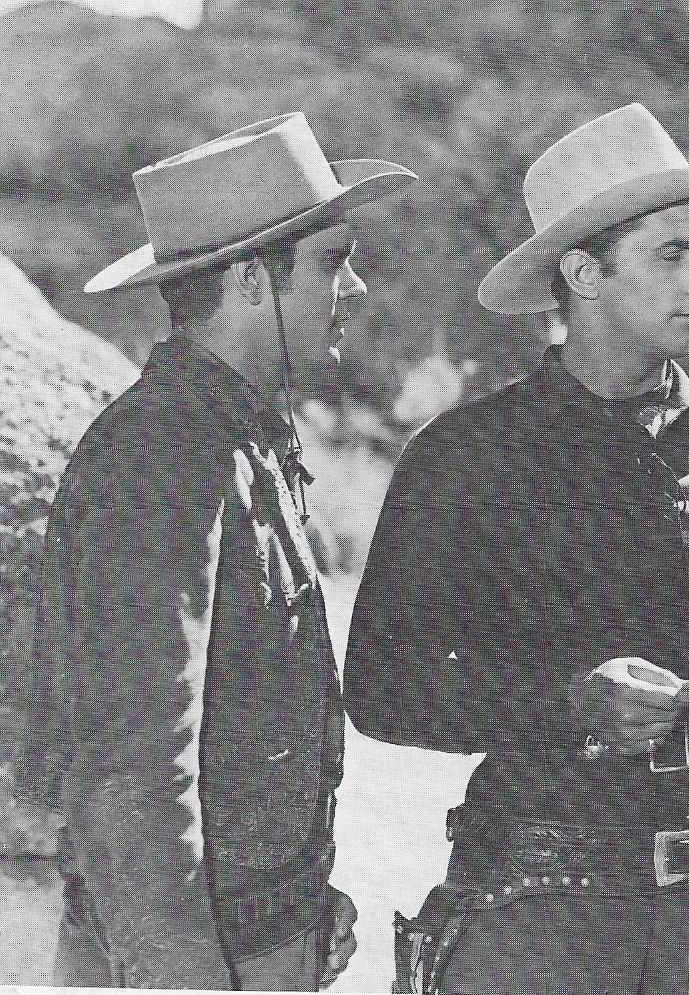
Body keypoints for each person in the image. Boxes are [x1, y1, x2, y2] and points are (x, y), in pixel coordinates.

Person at [344, 103, 689, 995]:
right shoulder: (463, 456)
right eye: (671, 254)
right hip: (534, 908)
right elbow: (382, 688)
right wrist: (570, 702)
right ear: (583, 272)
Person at [11, 113, 415, 989]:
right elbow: (130, 776)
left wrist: (302, 905)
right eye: (333, 262)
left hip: (247, 944)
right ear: (248, 280)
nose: (359, 288)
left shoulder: (239, 441)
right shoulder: (162, 456)